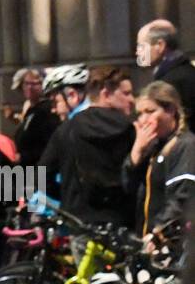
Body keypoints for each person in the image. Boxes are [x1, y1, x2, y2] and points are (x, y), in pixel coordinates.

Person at [40, 65, 136, 225]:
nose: (132, 99)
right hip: (123, 219)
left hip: (80, 221)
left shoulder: (66, 130)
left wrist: (67, 195)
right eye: (127, 93)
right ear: (105, 93)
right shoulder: (131, 129)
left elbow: (41, 176)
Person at [124, 81, 195, 236]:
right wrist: (136, 153)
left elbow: (181, 197)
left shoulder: (185, 145)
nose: (143, 120)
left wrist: (158, 234)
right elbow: (127, 188)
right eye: (140, 113)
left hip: (172, 244)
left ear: (171, 110)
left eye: (150, 111)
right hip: (143, 237)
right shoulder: (152, 147)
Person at [137, 19, 195, 121]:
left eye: (141, 46)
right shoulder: (186, 71)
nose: (137, 53)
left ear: (160, 45)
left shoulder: (171, 81)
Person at [8, 68, 59, 166]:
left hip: (39, 171)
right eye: (26, 83)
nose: (29, 87)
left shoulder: (47, 110)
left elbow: (48, 145)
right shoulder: (31, 111)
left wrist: (24, 157)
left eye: (35, 84)